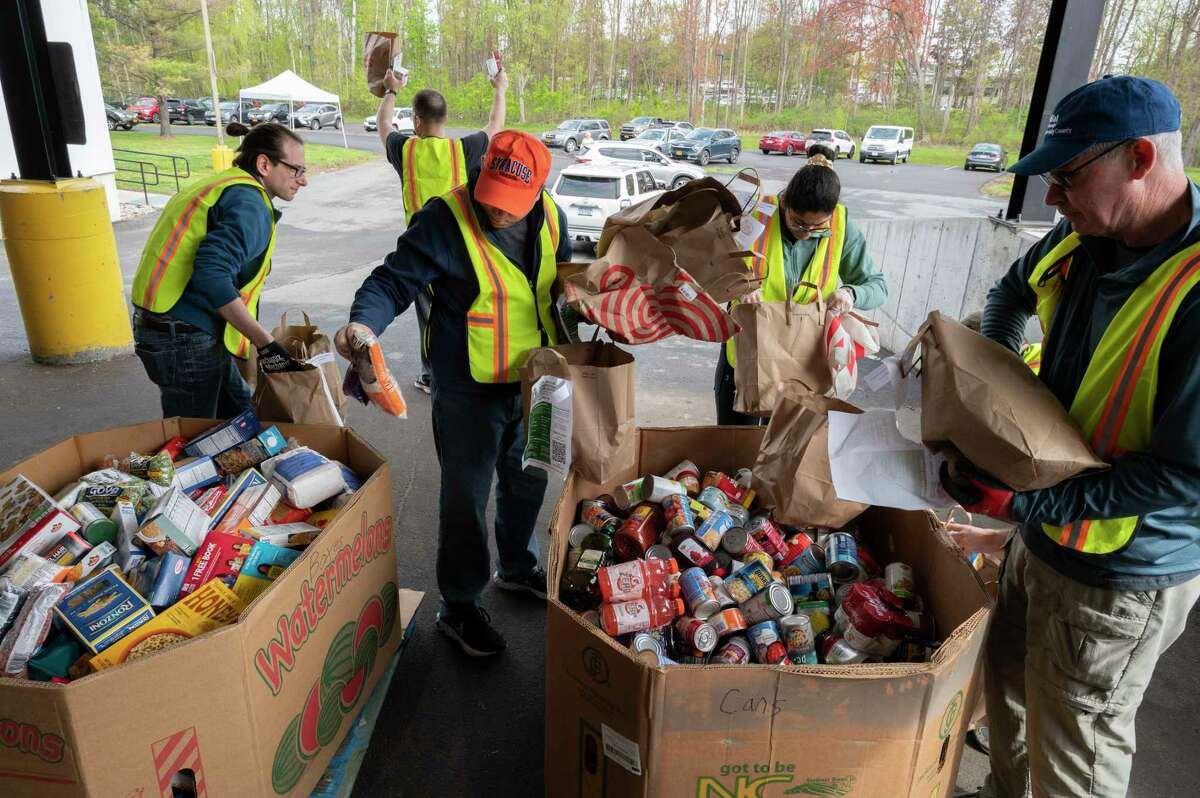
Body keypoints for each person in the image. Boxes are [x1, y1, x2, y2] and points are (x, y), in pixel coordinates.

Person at [941, 76, 1200, 798]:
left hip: (1117, 578)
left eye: (1067, 177)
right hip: (1043, 537)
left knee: (1075, 752)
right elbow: (1009, 295)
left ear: (1141, 158)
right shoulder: (1089, 230)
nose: (1052, 200)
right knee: (1013, 700)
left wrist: (1021, 507)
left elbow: (1189, 479)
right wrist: (990, 393)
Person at [336, 131, 570, 657]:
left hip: (536, 382)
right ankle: (460, 604)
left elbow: (559, 282)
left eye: (511, 205)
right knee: (465, 497)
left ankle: (517, 565)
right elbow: (390, 283)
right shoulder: (444, 219)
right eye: (490, 199)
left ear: (537, 191)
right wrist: (361, 327)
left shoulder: (552, 215)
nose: (498, 212)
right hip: (469, 390)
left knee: (530, 477)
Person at [130, 122, 306, 419]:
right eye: (296, 170)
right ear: (264, 164)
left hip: (176, 326)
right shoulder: (249, 203)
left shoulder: (226, 184)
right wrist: (266, 343)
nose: (303, 181)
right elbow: (211, 276)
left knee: (240, 421)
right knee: (194, 440)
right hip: (184, 336)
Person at [714, 145, 887, 423]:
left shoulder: (843, 229)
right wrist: (739, 286)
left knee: (783, 452)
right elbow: (714, 271)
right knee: (735, 446)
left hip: (803, 363)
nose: (806, 234)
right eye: (798, 224)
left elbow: (877, 286)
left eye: (817, 227)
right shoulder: (755, 216)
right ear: (784, 202)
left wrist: (851, 293)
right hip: (748, 353)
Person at [375, 64, 508, 394]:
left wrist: (391, 90)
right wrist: (499, 88)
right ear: (445, 119)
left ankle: (431, 376)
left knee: (429, 318)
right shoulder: (463, 150)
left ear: (417, 121)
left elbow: (383, 124)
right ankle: (470, 369)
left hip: (421, 250)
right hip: (466, 248)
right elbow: (495, 125)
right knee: (465, 311)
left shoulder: (406, 152)